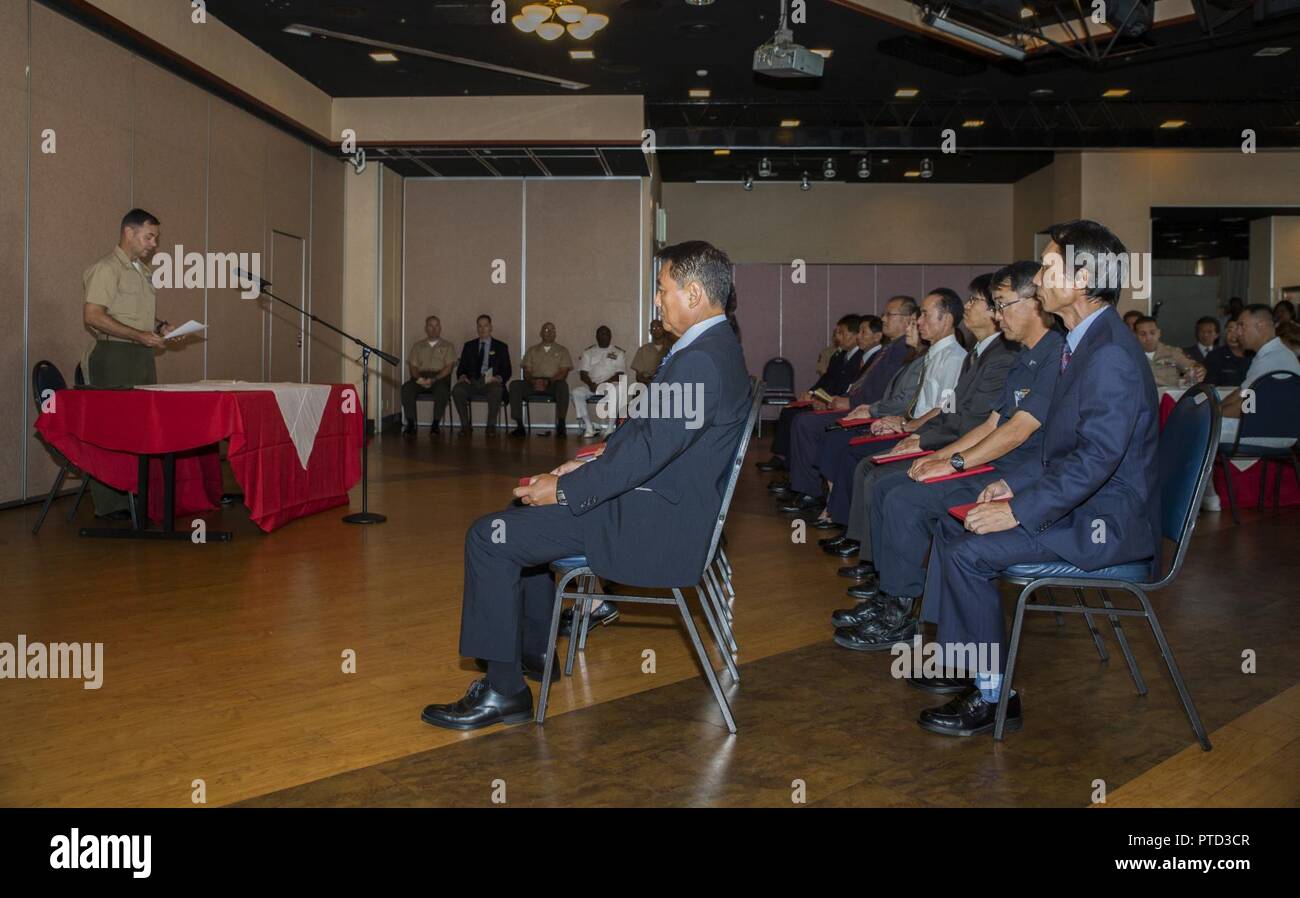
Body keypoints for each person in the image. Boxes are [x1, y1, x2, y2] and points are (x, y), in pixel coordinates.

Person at [420, 240, 751, 731]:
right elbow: (650, 439)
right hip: (660, 505)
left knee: (489, 538)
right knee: (516, 518)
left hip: (651, 525)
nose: (657, 301)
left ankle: (504, 692)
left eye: (662, 290)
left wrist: (566, 490)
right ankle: (533, 655)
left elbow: (645, 454)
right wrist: (580, 468)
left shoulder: (700, 361)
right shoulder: (716, 350)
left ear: (695, 293)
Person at [914, 219, 1160, 738]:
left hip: (1105, 521)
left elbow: (1097, 460)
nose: (1042, 277)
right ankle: (975, 671)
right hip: (1086, 503)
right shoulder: (1086, 339)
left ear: (1084, 277)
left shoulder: (1109, 351)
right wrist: (1014, 485)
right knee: (953, 527)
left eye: (1050, 267)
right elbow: (1060, 449)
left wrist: (1020, 507)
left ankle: (993, 694)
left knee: (967, 550)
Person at [831, 261, 1063, 660]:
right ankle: (895, 599)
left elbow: (1015, 432)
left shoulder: (1051, 354)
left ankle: (901, 614)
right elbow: (992, 421)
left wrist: (955, 464)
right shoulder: (1025, 355)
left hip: (1015, 472)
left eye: (1002, 303)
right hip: (1000, 463)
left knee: (904, 497)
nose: (997, 312)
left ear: (1034, 305)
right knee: (895, 485)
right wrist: (941, 457)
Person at [826, 276, 1016, 575]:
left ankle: (889, 582)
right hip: (945, 437)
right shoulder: (977, 356)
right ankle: (875, 564)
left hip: (968, 450)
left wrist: (922, 439)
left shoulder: (989, 358)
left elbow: (974, 422)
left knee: (886, 483)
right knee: (871, 469)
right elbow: (951, 410)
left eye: (973, 301)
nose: (919, 320)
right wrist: (917, 433)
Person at [82, 208, 176, 519]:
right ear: (129, 233)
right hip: (116, 357)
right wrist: (139, 335)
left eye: (156, 238)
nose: (154, 243)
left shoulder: (140, 271)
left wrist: (160, 328)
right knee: (112, 431)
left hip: (139, 356)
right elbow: (94, 315)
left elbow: (132, 313)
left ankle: (136, 496)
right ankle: (110, 504)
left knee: (139, 428)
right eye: (149, 236)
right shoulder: (107, 269)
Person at [754, 314, 865, 472]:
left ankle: (791, 464)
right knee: (789, 410)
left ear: (855, 335)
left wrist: (823, 400)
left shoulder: (860, 358)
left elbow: (847, 388)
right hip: (825, 399)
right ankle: (781, 457)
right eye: (837, 333)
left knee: (798, 418)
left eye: (842, 333)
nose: (838, 337)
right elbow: (826, 379)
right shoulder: (839, 355)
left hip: (836, 402)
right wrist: (811, 393)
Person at [509, 322, 573, 437]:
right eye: (546, 330)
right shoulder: (532, 350)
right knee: (515, 385)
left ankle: (561, 425)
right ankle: (519, 426)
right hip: (533, 382)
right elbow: (527, 371)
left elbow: (563, 372)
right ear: (541, 333)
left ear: (555, 333)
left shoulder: (563, 350)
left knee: (563, 386)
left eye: (552, 330)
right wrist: (533, 381)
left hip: (553, 383)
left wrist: (548, 382)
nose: (550, 332)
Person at [452, 315, 512, 434]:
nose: (482, 329)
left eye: (485, 325)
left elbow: (507, 370)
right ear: (477, 328)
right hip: (472, 382)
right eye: (479, 326)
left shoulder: (501, 347)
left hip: (490, 382)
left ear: (491, 327)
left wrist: (498, 378)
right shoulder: (469, 346)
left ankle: (491, 426)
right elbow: (461, 368)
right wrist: (462, 376)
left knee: (496, 390)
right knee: (457, 390)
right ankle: (465, 426)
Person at [401, 315, 457, 435]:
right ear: (426, 328)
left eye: (436, 326)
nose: (434, 329)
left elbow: (448, 368)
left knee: (442, 390)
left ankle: (435, 424)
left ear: (440, 328)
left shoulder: (448, 346)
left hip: (439, 378)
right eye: (430, 326)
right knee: (406, 388)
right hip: (420, 377)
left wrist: (434, 379)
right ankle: (411, 424)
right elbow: (413, 367)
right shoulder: (417, 346)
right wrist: (419, 378)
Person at [571, 326, 628, 437]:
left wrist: (603, 384)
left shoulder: (618, 352)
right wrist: (591, 384)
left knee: (618, 390)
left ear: (610, 336)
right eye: (601, 334)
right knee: (576, 392)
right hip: (591, 385)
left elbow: (619, 374)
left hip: (610, 385)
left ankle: (610, 427)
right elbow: (583, 374)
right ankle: (589, 426)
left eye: (606, 334)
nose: (604, 336)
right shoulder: (588, 352)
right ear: (596, 336)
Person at [1133, 316, 1205, 388]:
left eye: (1152, 333)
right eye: (1142, 334)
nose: (1148, 338)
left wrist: (1198, 370)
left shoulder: (1172, 353)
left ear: (1159, 333)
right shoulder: (1131, 357)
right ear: (1135, 336)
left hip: (1168, 397)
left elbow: (1191, 366)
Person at [1204, 312, 1253, 387]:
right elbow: (1209, 386)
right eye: (1229, 330)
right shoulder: (1215, 356)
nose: (1233, 335)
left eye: (1237, 331)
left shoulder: (1254, 355)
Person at [631, 319, 672, 385]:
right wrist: (651, 382)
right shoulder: (643, 350)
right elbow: (638, 376)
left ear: (664, 330)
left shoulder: (671, 349)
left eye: (659, 327)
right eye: (653, 328)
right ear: (650, 332)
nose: (656, 330)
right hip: (647, 384)